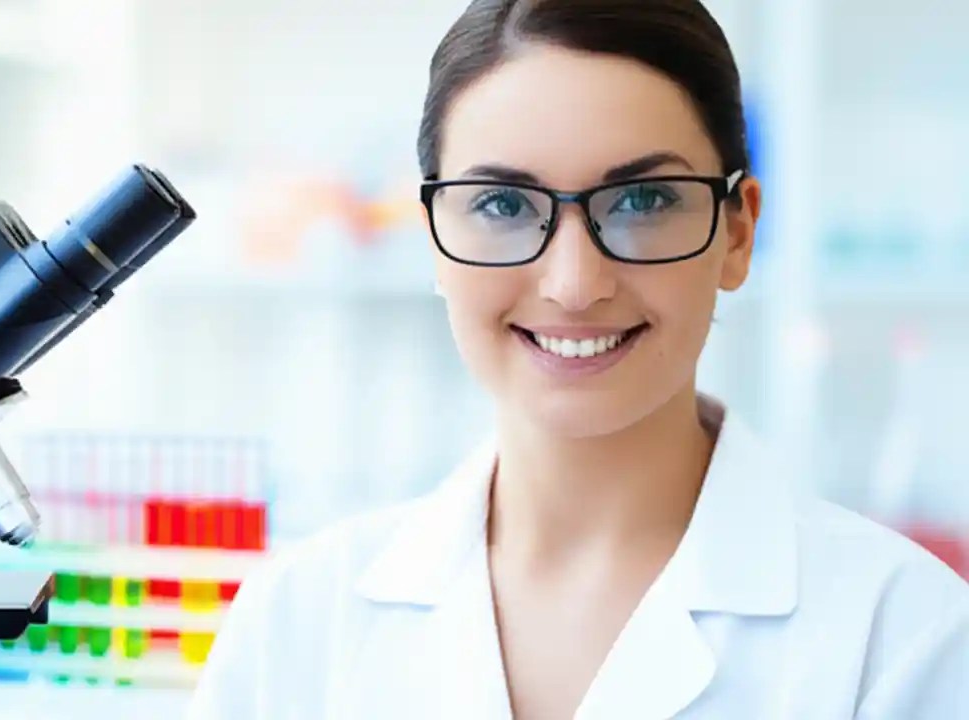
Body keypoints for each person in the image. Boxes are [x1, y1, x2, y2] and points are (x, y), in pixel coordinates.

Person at [187, 0, 969, 717]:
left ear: (737, 233)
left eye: (642, 201)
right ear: (432, 237)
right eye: (502, 204)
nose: (573, 284)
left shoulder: (902, 636)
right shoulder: (297, 623)